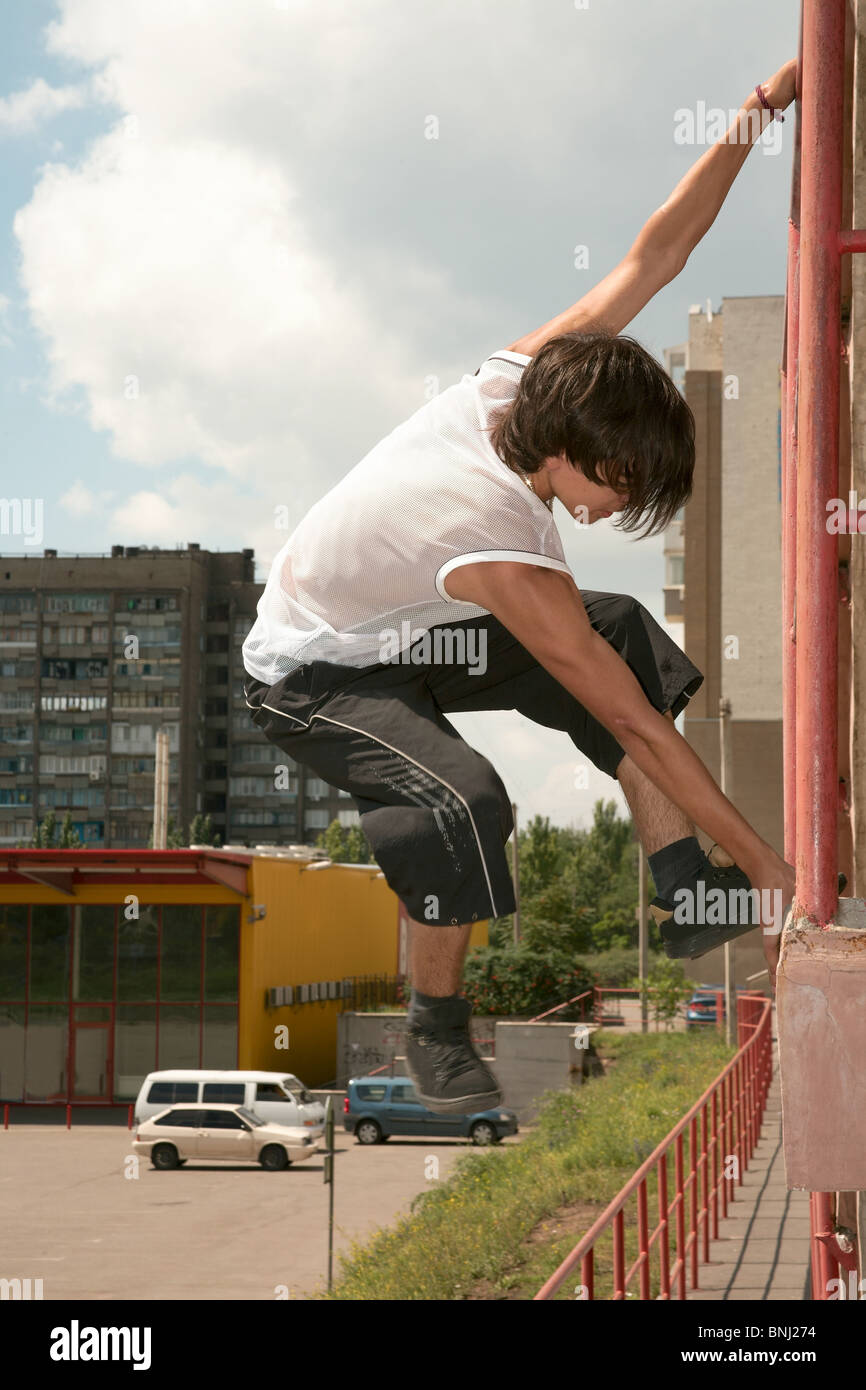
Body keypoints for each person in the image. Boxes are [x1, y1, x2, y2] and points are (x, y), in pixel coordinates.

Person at [242, 62, 798, 1115]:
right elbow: (632, 727)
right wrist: (768, 862)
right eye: (612, 490)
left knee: (623, 627)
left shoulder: (533, 375)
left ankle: (682, 889)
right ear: (569, 449)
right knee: (463, 796)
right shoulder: (496, 543)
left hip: (408, 626)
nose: (606, 511)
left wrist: (758, 109)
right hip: (310, 674)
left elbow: (656, 251)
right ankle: (434, 1031)